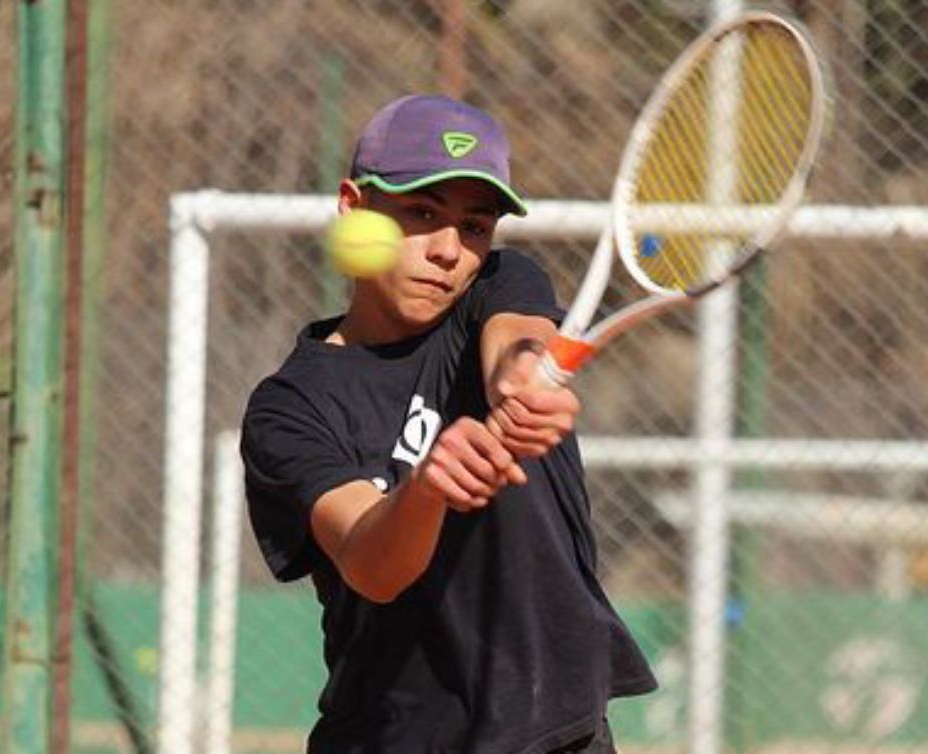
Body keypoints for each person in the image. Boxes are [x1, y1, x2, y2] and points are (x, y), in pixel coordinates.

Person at [240, 94, 657, 754]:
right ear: (355, 207)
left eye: (475, 226)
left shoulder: (497, 286)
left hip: (558, 729)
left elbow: (517, 342)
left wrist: (523, 376)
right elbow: (372, 566)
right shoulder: (291, 406)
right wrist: (428, 487)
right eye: (422, 213)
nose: (448, 251)